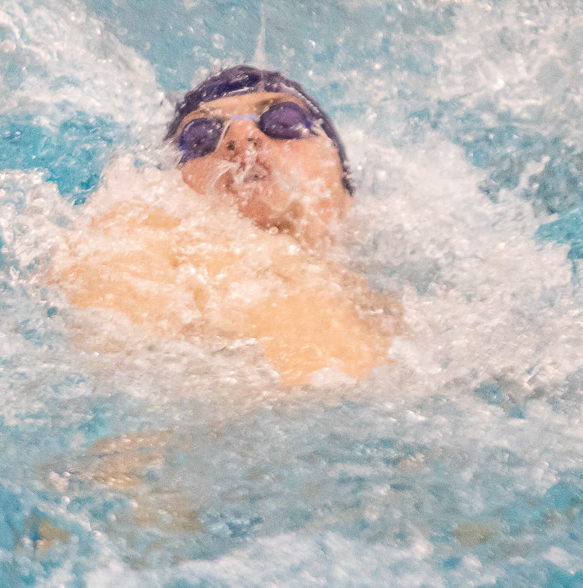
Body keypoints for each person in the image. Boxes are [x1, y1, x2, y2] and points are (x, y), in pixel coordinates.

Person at [46, 65, 398, 387]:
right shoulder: (137, 239)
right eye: (201, 138)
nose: (240, 135)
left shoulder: (405, 324)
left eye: (283, 121)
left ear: (345, 186)